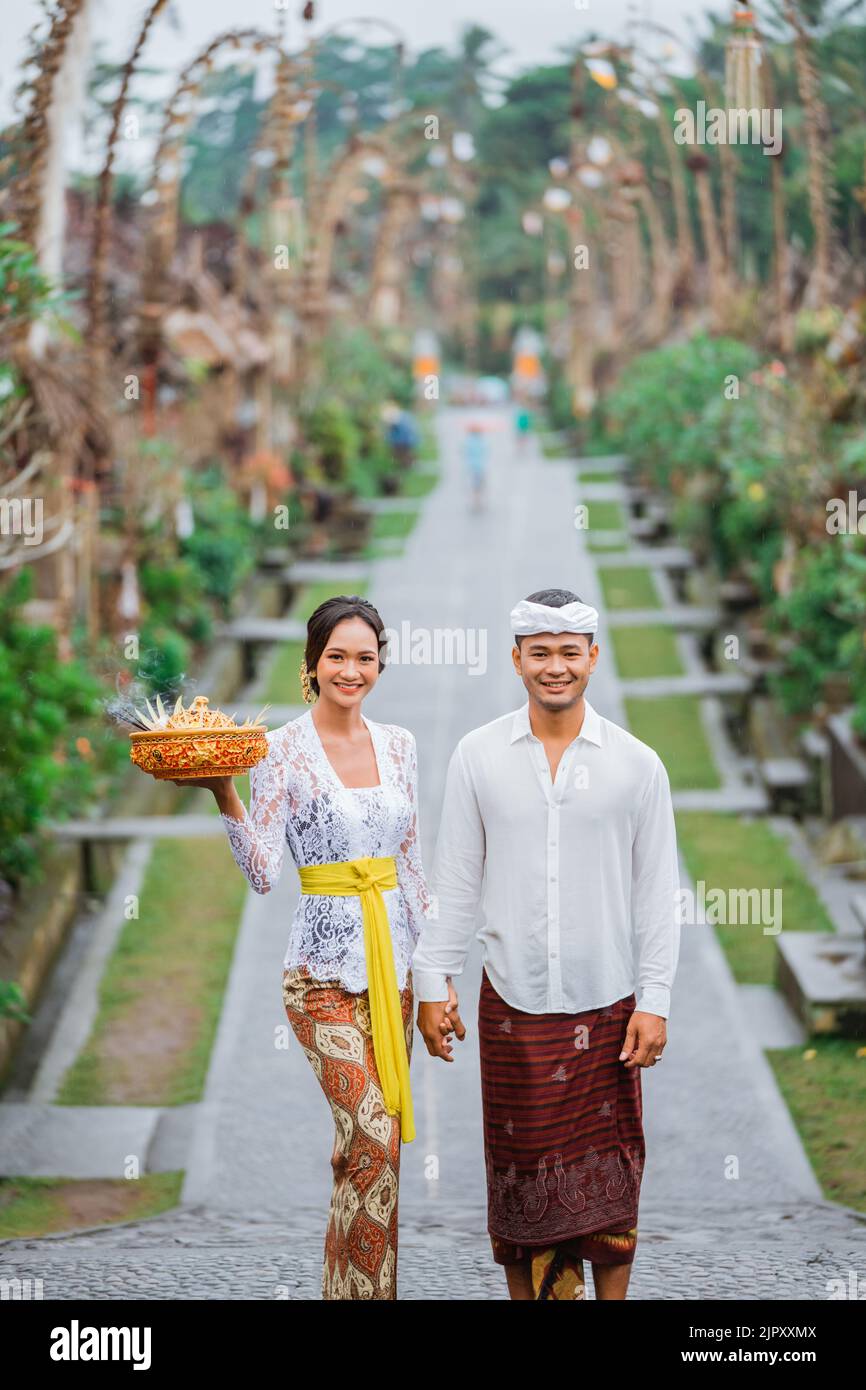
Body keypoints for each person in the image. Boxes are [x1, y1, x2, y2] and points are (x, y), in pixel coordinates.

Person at [173, 595, 455, 1300]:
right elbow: (266, 872)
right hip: (320, 980)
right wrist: (224, 796)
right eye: (337, 656)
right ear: (312, 664)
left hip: (391, 977)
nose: (351, 670)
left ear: (379, 665)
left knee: (370, 1156)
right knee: (371, 1140)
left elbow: (415, 869)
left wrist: (437, 982)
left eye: (365, 657)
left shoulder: (401, 747)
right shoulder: (281, 750)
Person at [413, 588, 681, 1301]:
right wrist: (432, 980)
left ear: (593, 657)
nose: (554, 668)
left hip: (608, 1006)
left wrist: (654, 1001)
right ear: (516, 659)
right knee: (521, 1193)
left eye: (569, 653)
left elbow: (658, 894)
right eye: (540, 654)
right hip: (513, 1007)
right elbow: (455, 879)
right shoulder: (477, 757)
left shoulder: (637, 766)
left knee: (612, 1193)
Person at [462, 421, 489, 511]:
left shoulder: (468, 441)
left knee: (474, 485)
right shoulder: (481, 441)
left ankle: (476, 501)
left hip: (471, 466)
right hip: (480, 466)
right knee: (479, 485)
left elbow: (464, 451)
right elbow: (486, 451)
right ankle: (477, 501)